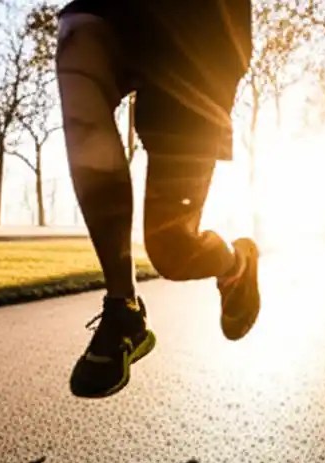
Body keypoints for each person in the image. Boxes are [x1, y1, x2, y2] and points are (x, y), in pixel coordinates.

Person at [56, 0, 259, 399]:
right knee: (77, 42)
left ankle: (235, 263)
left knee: (173, 252)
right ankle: (123, 311)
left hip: (199, 29)